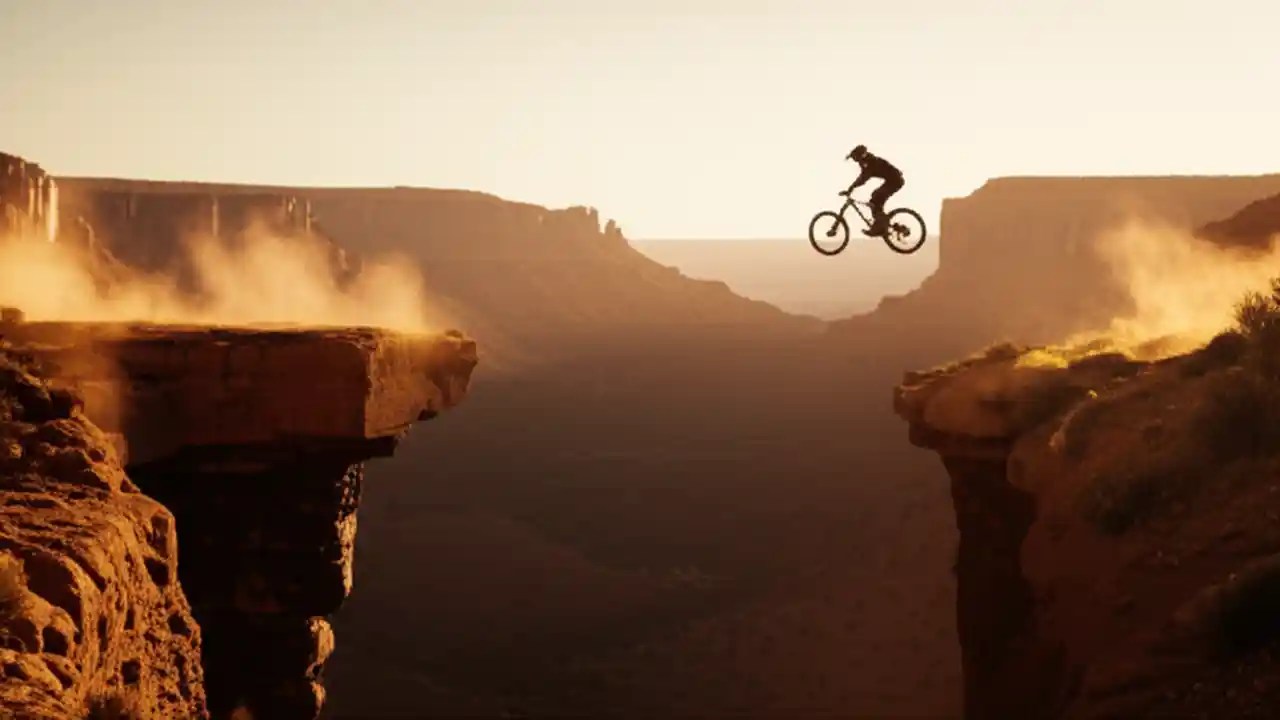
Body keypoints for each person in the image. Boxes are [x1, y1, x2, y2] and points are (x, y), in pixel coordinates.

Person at [842, 145, 903, 236]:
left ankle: (880, 226)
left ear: (861, 156)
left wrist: (850, 189)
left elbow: (863, 178)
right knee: (875, 201)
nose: (856, 161)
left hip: (895, 181)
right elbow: (863, 177)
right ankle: (881, 225)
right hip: (892, 180)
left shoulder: (870, 162)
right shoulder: (867, 161)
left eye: (855, 158)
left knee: (875, 198)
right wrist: (851, 188)